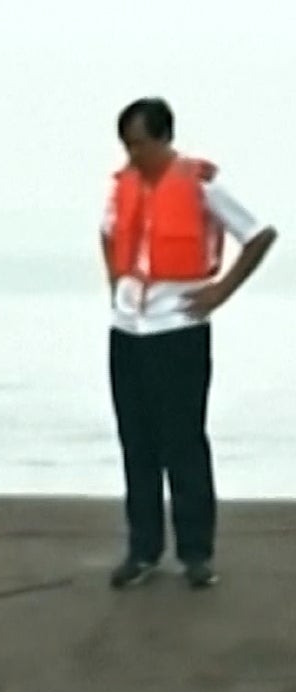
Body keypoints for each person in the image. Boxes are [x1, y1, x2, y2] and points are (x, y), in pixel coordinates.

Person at [101, 97, 278, 591]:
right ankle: (143, 550)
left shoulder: (201, 183)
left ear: (162, 138)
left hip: (178, 330)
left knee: (183, 442)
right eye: (126, 144)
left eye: (139, 143)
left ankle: (196, 552)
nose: (132, 154)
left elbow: (260, 234)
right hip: (127, 330)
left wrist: (221, 291)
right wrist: (115, 282)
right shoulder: (123, 187)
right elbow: (107, 234)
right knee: (136, 443)